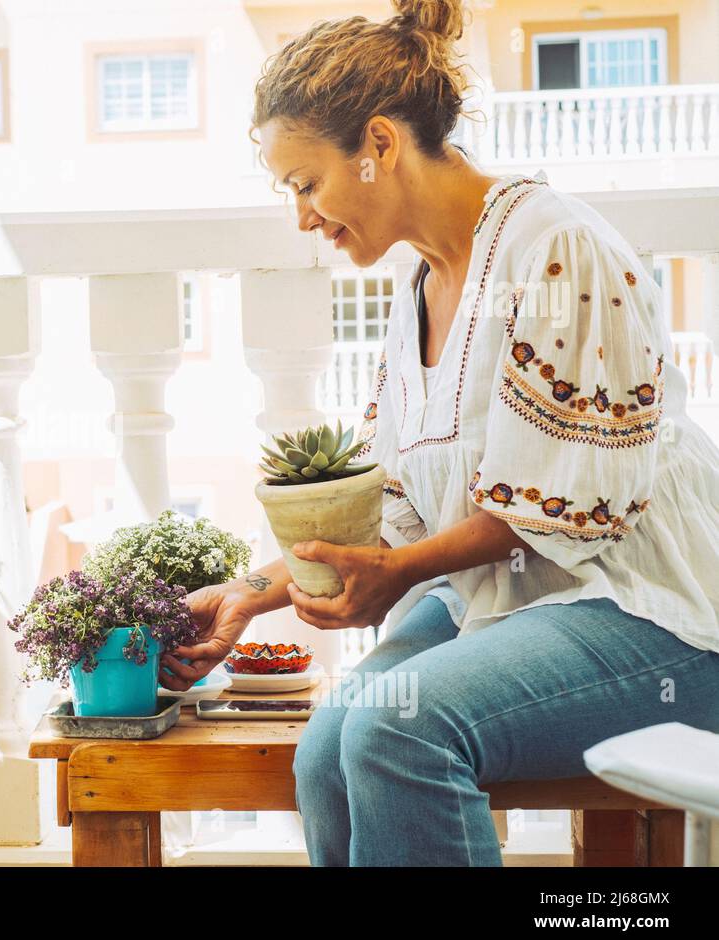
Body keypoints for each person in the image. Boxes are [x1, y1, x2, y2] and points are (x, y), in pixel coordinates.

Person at [158, 0, 719, 866]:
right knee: (326, 755)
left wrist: (401, 579)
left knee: (394, 732)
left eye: (306, 183)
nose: (302, 216)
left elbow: (567, 511)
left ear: (378, 145)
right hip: (510, 606)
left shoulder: (555, 247)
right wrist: (247, 592)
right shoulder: (419, 290)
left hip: (654, 616)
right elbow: (393, 504)